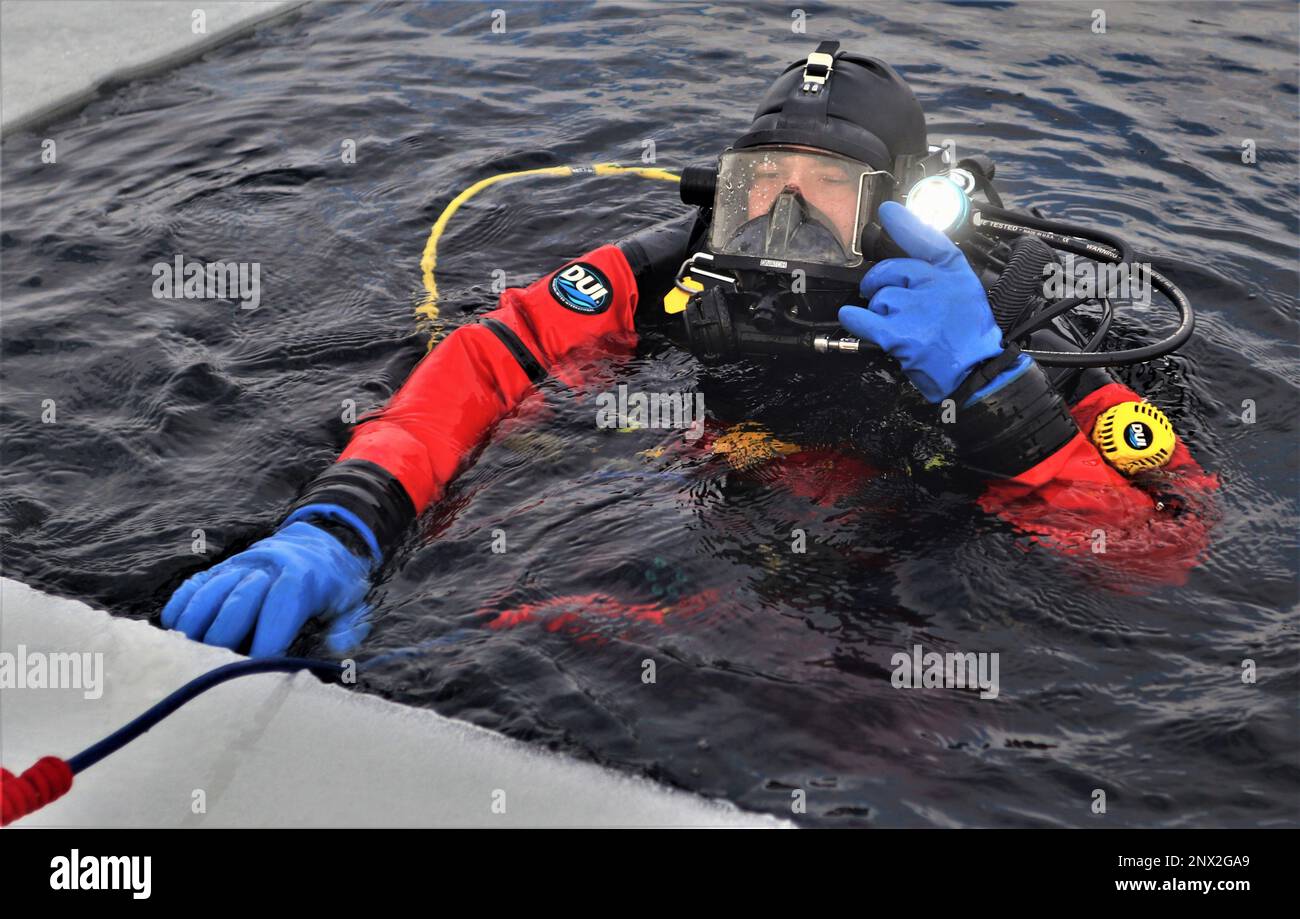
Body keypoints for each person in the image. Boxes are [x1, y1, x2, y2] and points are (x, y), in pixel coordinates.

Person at [161, 43, 1217, 657]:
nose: (781, 222)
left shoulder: (1013, 321)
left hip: (910, 572)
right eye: (761, 188)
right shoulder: (683, 268)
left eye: (822, 195)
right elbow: (496, 355)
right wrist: (345, 519)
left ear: (898, 211)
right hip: (715, 502)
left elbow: (1160, 561)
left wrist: (993, 388)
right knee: (530, 627)